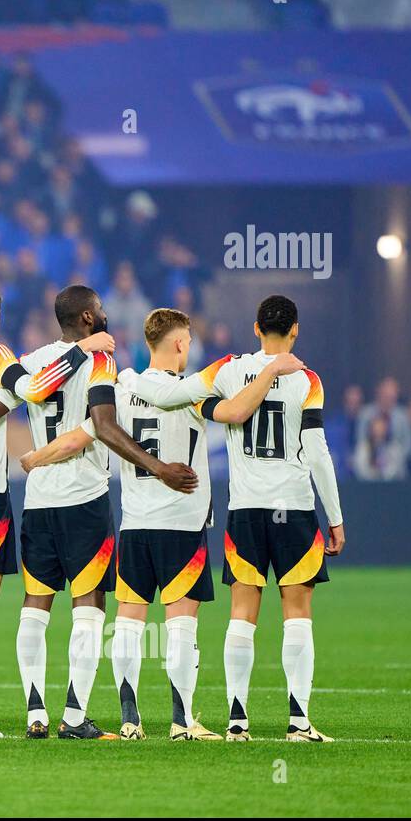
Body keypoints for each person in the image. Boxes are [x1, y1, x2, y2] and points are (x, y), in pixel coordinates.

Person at [0, 284, 196, 740]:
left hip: (38, 502)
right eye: (101, 310)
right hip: (85, 500)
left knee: (36, 606)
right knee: (88, 608)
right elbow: (105, 427)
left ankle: (35, 712)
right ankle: (73, 717)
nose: (105, 315)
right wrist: (158, 467)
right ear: (87, 318)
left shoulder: (29, 360)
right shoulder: (101, 360)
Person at [26, 308, 304, 740]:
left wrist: (34, 458)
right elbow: (235, 413)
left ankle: (129, 718)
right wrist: (270, 371)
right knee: (181, 626)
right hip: (181, 524)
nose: (189, 346)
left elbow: (82, 435)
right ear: (178, 344)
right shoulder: (191, 393)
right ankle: (181, 720)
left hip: (135, 525)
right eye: (188, 341)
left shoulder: (123, 386)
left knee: (130, 623)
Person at [118, 295, 345, 742]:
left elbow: (168, 393)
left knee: (242, 615)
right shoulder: (308, 380)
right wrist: (334, 515)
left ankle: (237, 720)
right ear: (295, 330)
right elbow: (317, 453)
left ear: (256, 328)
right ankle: (298, 721)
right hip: (294, 508)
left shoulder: (225, 370)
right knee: (297, 614)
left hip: (243, 509)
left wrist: (126, 374)